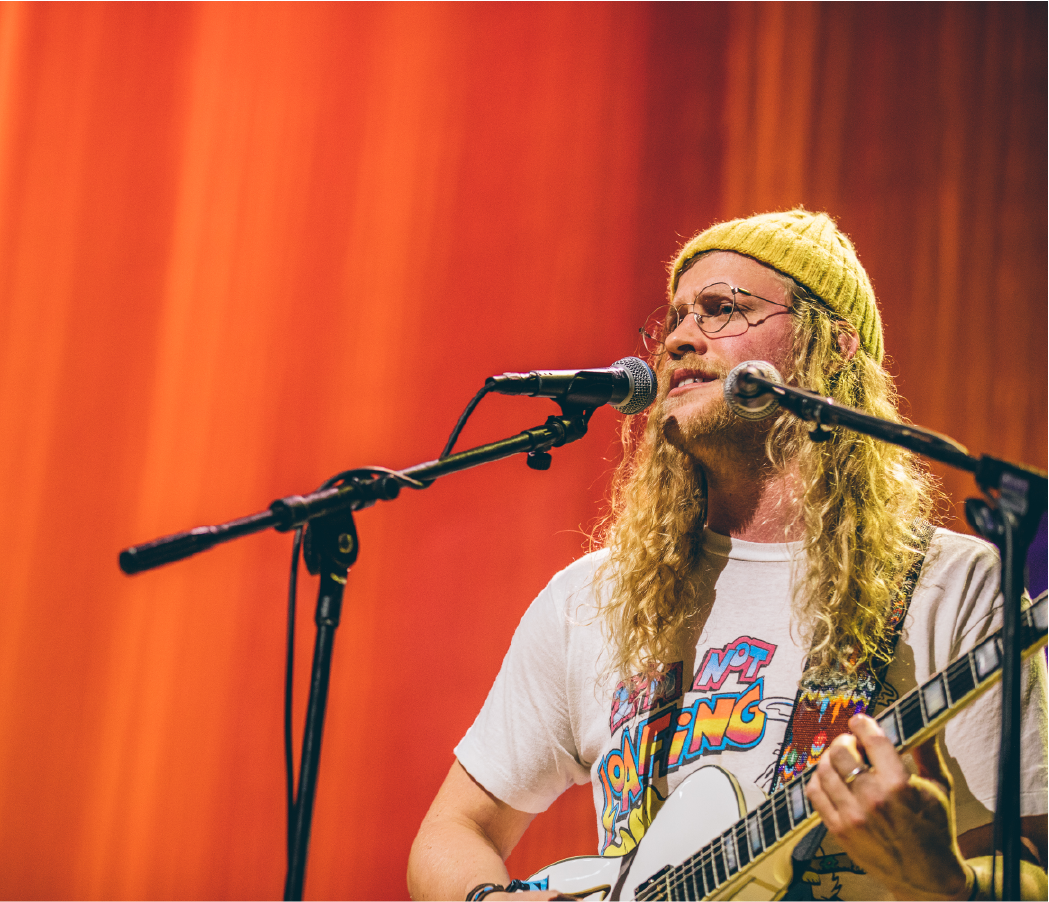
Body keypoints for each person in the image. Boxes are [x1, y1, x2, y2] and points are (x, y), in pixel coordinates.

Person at [407, 209, 1048, 901]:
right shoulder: (591, 599)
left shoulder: (951, 585)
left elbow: (1036, 868)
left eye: (722, 310)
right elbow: (450, 833)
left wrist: (941, 880)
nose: (682, 339)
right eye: (675, 318)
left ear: (832, 347)